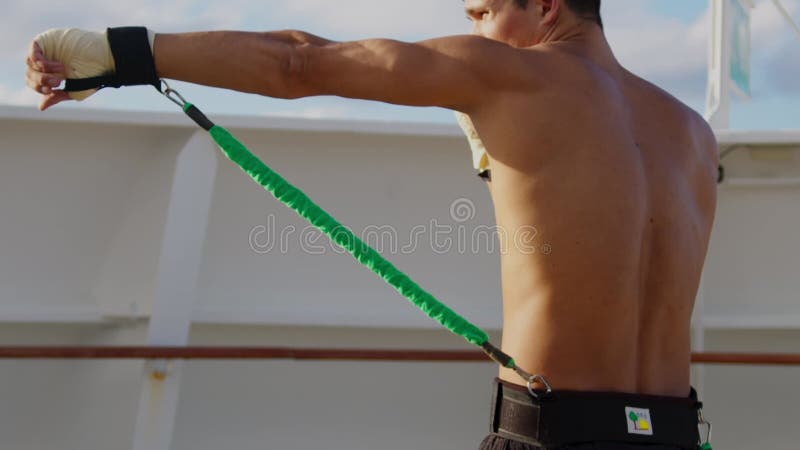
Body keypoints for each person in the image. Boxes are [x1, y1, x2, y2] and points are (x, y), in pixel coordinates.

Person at [24, 1, 719, 448]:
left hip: (553, 432)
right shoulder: (691, 133)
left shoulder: (506, 75)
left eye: (482, 13)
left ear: (542, 7)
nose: (473, 32)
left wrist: (122, 54)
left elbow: (300, 62)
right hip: (673, 432)